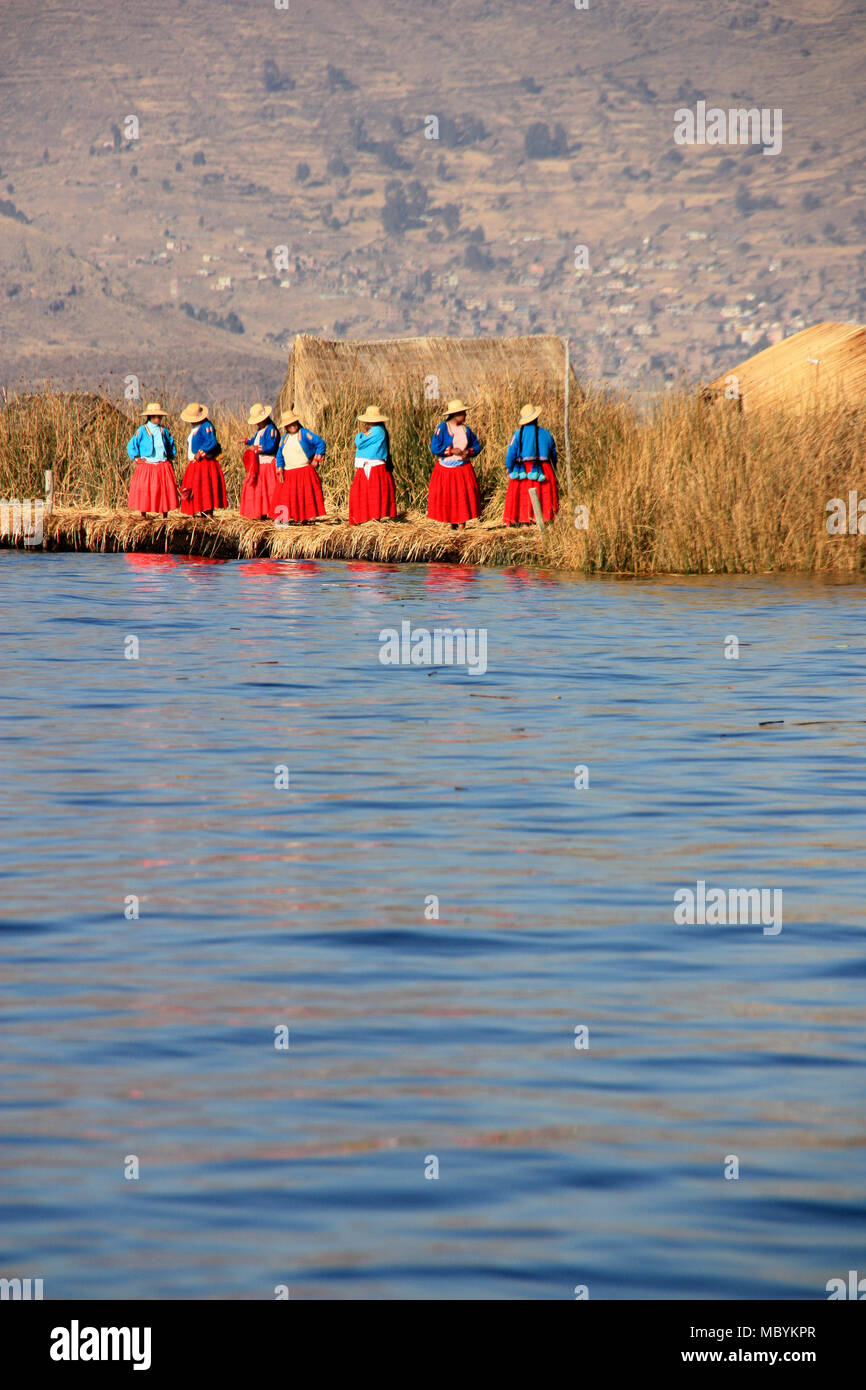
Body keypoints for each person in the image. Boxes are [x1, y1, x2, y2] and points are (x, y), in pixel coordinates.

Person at [427, 398, 483, 529]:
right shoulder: (442, 428)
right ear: (455, 415)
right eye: (463, 413)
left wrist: (468, 452)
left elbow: (477, 446)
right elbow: (434, 447)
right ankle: (452, 524)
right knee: (449, 497)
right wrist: (450, 450)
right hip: (446, 469)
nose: (465, 416)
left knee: (462, 496)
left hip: (462, 468)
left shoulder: (466, 430)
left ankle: (461, 526)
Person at [503, 404, 560, 526]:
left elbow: (510, 455)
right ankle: (544, 520)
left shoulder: (518, 434)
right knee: (543, 495)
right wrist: (554, 470)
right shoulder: (546, 434)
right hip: (544, 469)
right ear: (536, 418)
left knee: (523, 496)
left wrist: (509, 468)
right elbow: (553, 455)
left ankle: (524, 522)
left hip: (522, 471)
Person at [272, 409, 327, 524]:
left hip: (303, 471)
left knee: (304, 495)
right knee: (287, 497)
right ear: (285, 426)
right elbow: (279, 455)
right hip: (289, 473)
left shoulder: (305, 434)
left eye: (294, 423)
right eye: (289, 424)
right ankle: (287, 519)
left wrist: (317, 459)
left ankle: (304, 519)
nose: (292, 426)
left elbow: (320, 443)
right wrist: (280, 469)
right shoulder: (284, 439)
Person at [126, 402, 179, 517]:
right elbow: (132, 444)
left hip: (162, 463)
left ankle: (165, 514)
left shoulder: (163, 430)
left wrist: (170, 456)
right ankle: (143, 514)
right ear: (150, 417)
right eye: (157, 416)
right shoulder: (142, 430)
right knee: (145, 489)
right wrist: (136, 458)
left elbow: (170, 444)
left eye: (160, 416)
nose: (159, 418)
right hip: (148, 464)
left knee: (163, 489)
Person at [349, 406, 397, 525]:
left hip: (374, 466)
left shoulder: (377, 431)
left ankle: (373, 519)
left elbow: (359, 443)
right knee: (362, 492)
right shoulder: (378, 430)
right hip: (367, 466)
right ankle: (366, 518)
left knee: (372, 493)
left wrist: (359, 434)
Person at [178, 403, 227, 518]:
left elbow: (212, 442)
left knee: (205, 488)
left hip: (205, 463)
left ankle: (208, 515)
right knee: (195, 488)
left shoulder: (206, 426)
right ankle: (200, 513)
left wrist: (201, 452)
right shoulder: (196, 427)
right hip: (195, 464)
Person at [239, 403, 280, 519]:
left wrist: (257, 448)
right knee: (260, 490)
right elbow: (254, 440)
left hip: (268, 464)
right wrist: (247, 441)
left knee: (270, 489)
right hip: (259, 464)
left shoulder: (271, 430)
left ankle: (273, 514)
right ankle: (261, 513)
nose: (257, 423)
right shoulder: (260, 430)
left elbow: (271, 446)